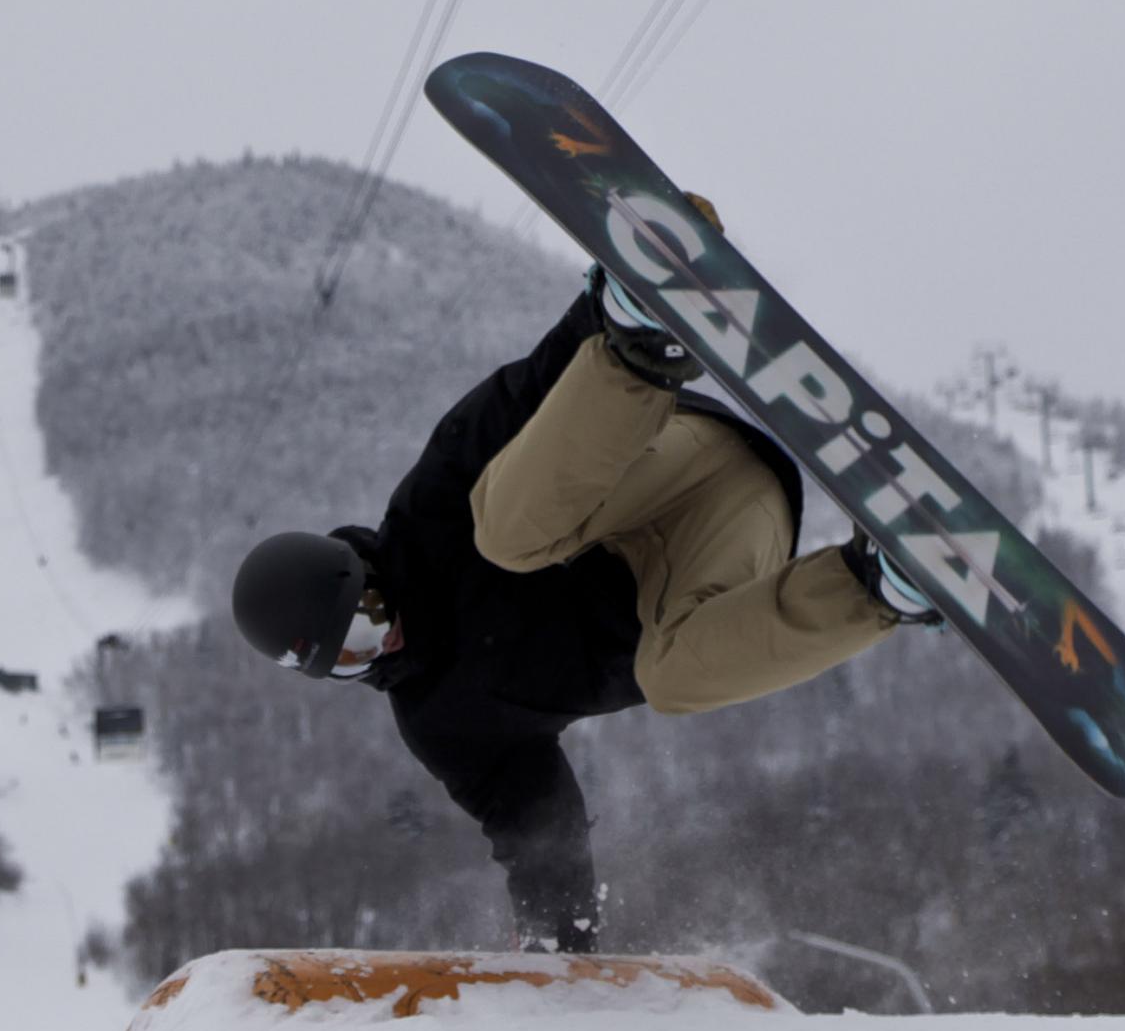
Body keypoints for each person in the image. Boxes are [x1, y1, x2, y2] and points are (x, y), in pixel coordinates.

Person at [231, 197, 940, 954]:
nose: (382, 641)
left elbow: (526, 394)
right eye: (352, 657)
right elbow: (536, 825)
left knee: (502, 531)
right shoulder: (443, 723)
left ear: (362, 569)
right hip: (729, 533)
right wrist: (559, 942)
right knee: (669, 679)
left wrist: (600, 310)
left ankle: (644, 337)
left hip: (666, 456)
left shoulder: (425, 516)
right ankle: (882, 586)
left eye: (369, 612)